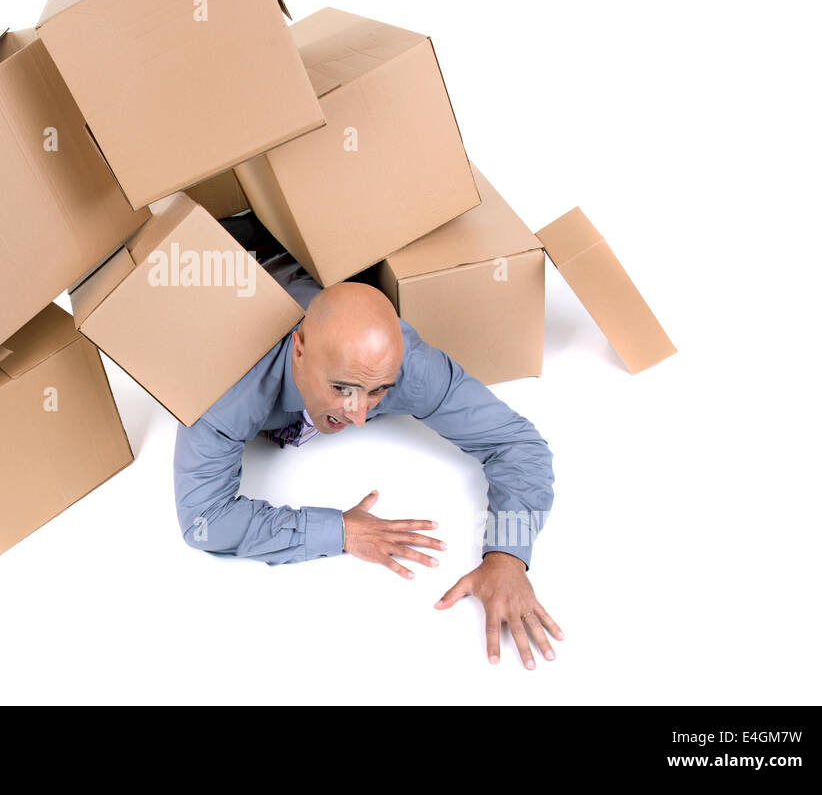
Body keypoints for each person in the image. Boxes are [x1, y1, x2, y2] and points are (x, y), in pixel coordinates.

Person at [173, 214, 564, 669]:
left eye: (377, 392)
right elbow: (203, 519)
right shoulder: (226, 391)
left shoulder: (407, 366)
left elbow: (517, 445)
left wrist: (508, 556)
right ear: (298, 349)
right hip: (220, 248)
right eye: (341, 388)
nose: (359, 416)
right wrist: (340, 530)